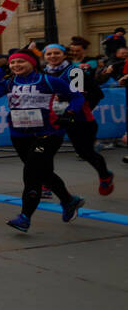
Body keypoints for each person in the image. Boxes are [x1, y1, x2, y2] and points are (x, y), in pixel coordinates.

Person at [0, 48, 84, 232]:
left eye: (21, 61)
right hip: (19, 134)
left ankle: (24, 217)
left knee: (31, 174)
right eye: (12, 63)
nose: (16, 65)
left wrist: (70, 113)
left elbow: (77, 96)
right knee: (43, 173)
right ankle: (69, 200)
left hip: (48, 133)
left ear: (32, 63)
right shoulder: (9, 82)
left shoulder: (48, 80)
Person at [41, 43, 112, 196]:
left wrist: (65, 100)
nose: (53, 56)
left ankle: (105, 175)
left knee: (85, 152)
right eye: (49, 54)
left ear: (64, 55)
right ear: (44, 56)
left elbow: (80, 95)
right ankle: (47, 184)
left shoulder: (74, 71)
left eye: (56, 53)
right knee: (46, 151)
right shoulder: (42, 72)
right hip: (52, 119)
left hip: (78, 118)